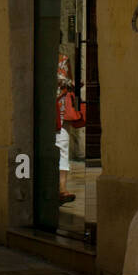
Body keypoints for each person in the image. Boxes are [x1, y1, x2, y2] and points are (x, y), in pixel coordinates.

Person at [56, 47, 77, 205]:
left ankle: (62, 188)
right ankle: (60, 189)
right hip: (58, 108)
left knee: (62, 147)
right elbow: (64, 80)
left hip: (60, 110)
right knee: (62, 148)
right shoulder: (62, 59)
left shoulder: (63, 59)